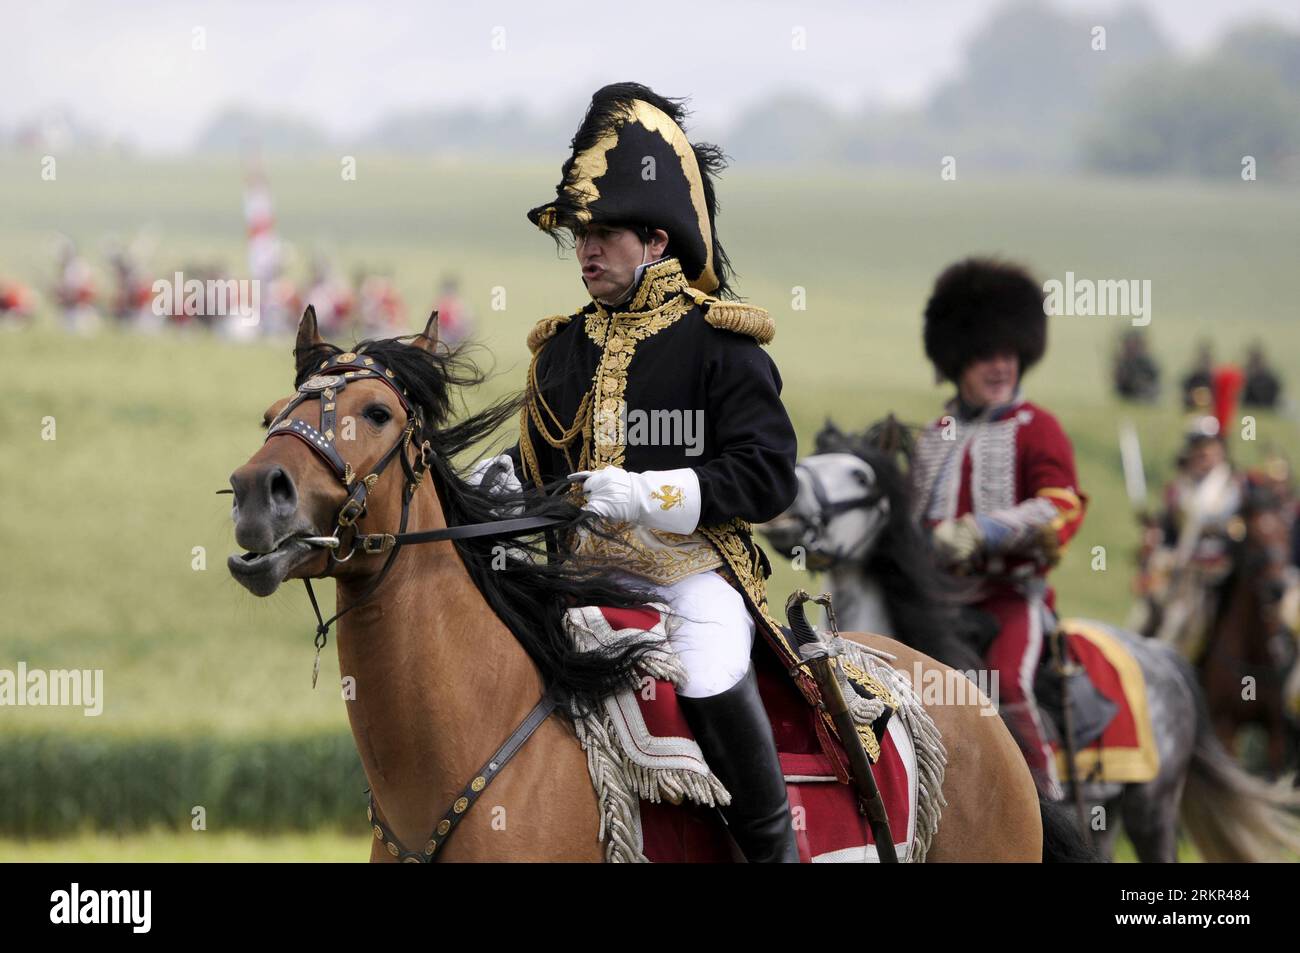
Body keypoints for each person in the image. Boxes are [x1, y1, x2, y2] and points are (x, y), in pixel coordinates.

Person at [476, 82, 800, 861]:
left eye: (605, 233)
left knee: (710, 661)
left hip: (688, 573)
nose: (585, 249)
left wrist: (655, 495)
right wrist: (503, 484)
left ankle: (770, 848)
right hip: (580, 579)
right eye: (581, 234)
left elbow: (768, 475)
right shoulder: (559, 350)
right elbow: (543, 466)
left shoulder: (720, 345)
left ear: (655, 240)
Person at [908, 258, 1087, 800]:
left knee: (1007, 683)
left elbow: (1062, 506)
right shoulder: (933, 435)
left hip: (1011, 598)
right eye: (986, 354)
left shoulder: (1039, 427)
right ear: (958, 359)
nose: (999, 366)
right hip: (940, 601)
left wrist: (982, 531)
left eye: (1009, 353)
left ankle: (1046, 809)